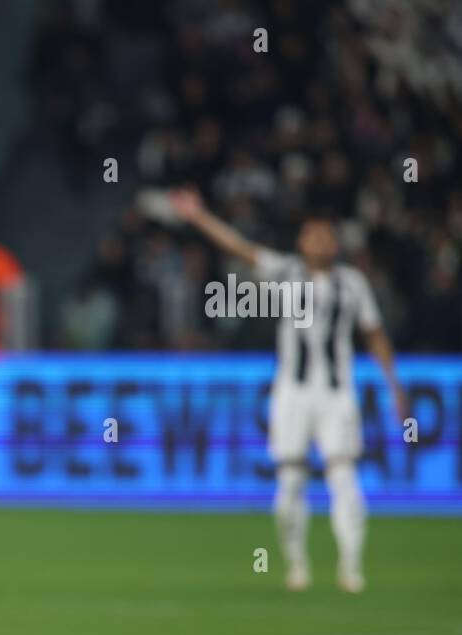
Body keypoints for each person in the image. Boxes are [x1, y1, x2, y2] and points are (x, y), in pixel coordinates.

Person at [169, 187, 407, 592]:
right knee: (292, 481)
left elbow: (374, 334)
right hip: (292, 394)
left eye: (328, 236)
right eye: (314, 236)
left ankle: (351, 567)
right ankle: (297, 564)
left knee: (344, 477)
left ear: (337, 244)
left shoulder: (352, 284)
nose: (322, 242)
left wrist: (394, 385)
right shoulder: (285, 271)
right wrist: (198, 216)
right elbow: (241, 248)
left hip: (336, 394)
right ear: (301, 243)